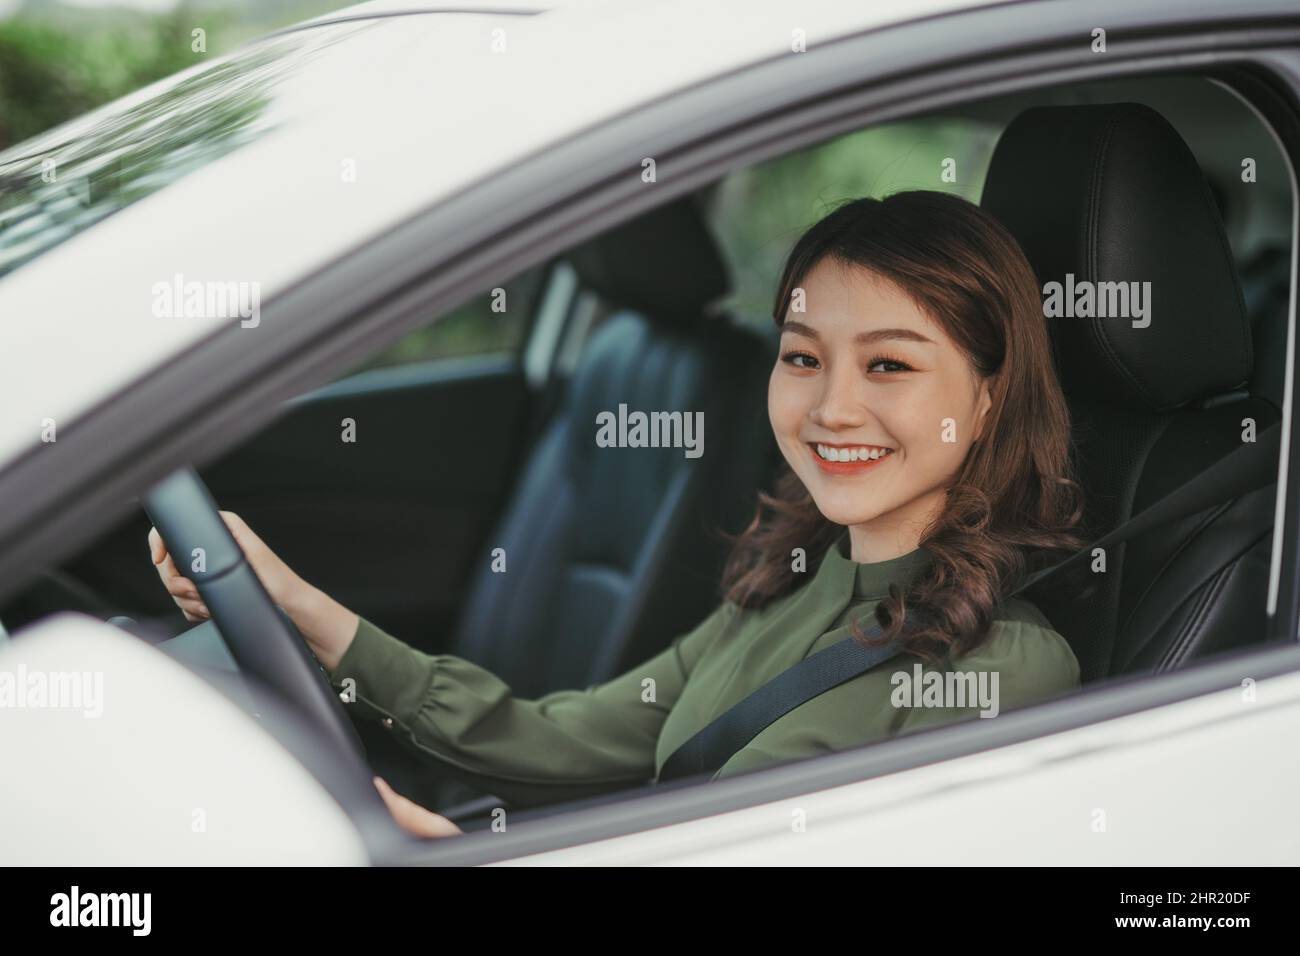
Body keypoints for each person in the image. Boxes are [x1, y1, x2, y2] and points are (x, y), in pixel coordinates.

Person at [149, 190, 1089, 840]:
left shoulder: (1003, 666)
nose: (831, 407)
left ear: (993, 396)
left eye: (889, 364)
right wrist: (304, 613)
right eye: (802, 357)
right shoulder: (789, 576)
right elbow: (562, 738)